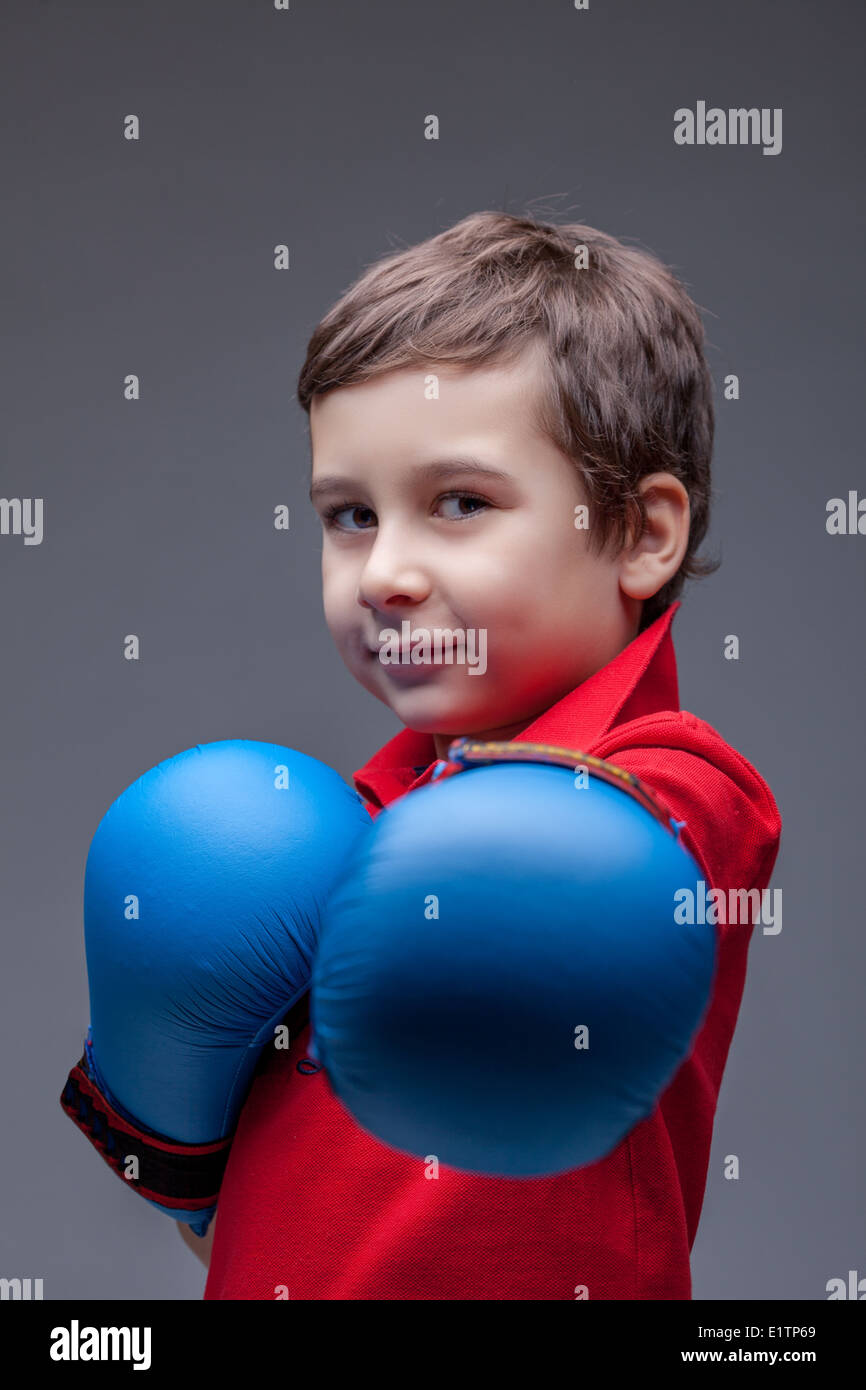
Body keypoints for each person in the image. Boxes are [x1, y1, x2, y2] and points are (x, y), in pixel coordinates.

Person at [193, 210, 781, 1299]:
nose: (383, 573)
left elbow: (626, 859)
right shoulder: (339, 832)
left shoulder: (677, 786)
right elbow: (247, 1227)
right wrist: (170, 1110)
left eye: (458, 502)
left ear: (643, 535)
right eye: (351, 516)